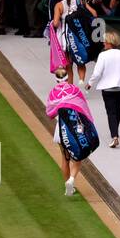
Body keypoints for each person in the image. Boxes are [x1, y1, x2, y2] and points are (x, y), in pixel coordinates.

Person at [47, 68, 100, 196]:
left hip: (61, 130)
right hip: (76, 128)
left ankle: (68, 186)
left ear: (56, 79)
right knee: (77, 158)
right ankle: (71, 179)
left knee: (65, 158)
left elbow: (50, 113)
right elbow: (83, 107)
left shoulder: (53, 93)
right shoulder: (75, 90)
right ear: (67, 78)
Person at [87, 30, 120, 147]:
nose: (103, 43)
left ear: (109, 42)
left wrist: (90, 83)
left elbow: (97, 73)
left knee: (111, 112)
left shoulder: (103, 55)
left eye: (104, 41)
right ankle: (115, 131)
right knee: (117, 110)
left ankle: (114, 136)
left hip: (107, 88)